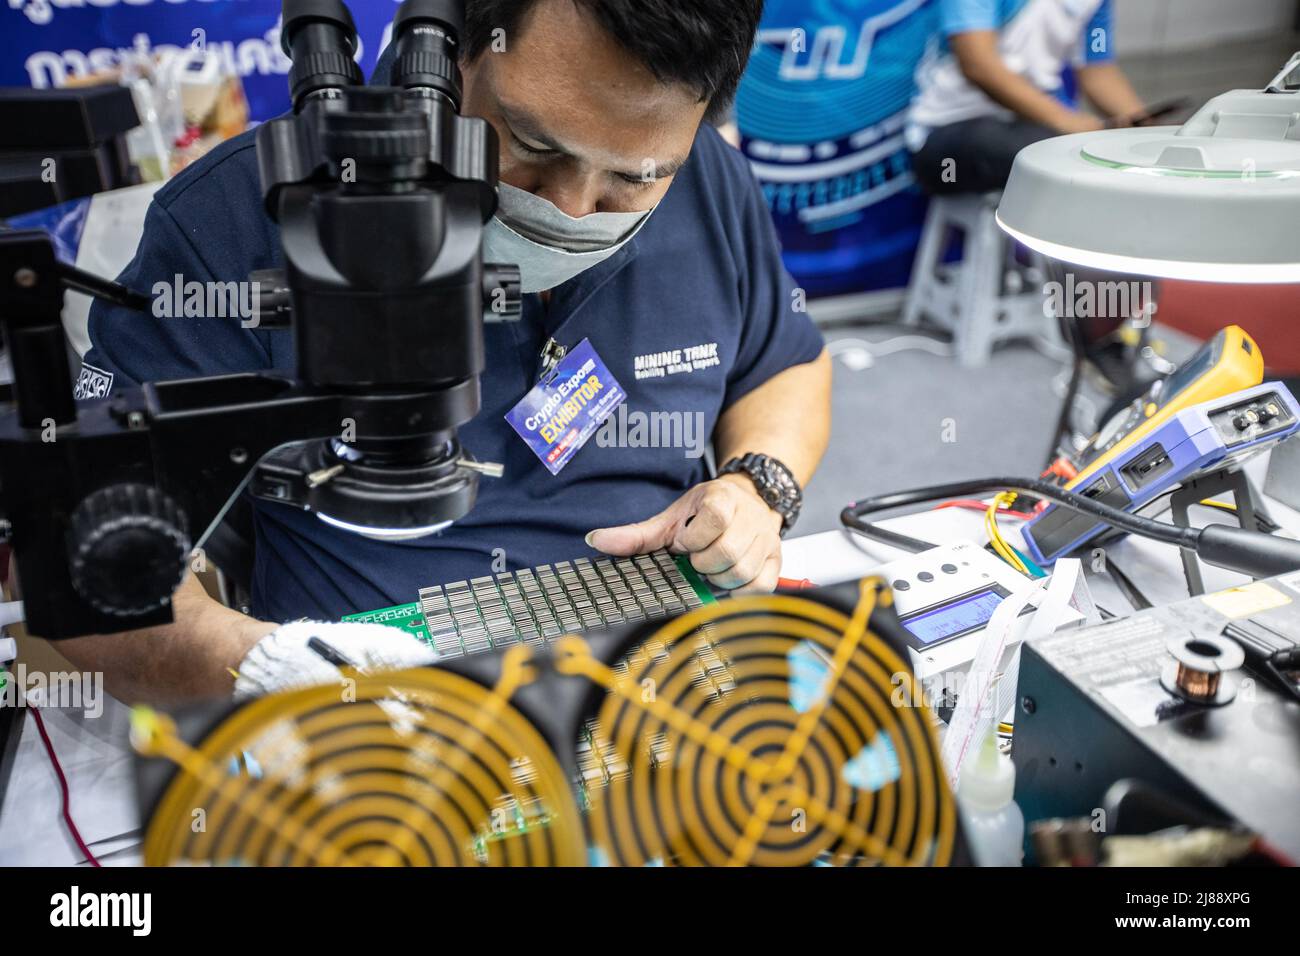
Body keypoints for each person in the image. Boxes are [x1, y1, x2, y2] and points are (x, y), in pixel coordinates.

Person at [55, 0, 832, 703]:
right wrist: (258, 667)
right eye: (530, 142)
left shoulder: (708, 181)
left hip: (656, 681)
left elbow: (788, 363)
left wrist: (757, 486)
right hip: (382, 720)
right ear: (454, 49)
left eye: (632, 178)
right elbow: (86, 582)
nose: (569, 210)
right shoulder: (246, 215)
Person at [907, 0, 1147, 195]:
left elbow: (1098, 71)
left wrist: (1149, 133)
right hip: (943, 148)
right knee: (1062, 156)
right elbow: (978, 65)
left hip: (1031, 128)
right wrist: (1069, 122)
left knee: (1106, 156)